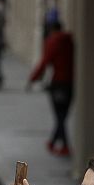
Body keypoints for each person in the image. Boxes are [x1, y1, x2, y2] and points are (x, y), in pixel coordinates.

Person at [28, 20, 74, 156]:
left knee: (59, 115)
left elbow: (45, 61)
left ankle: (65, 146)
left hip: (58, 83)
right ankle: (53, 142)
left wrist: (33, 78)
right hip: (71, 83)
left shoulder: (53, 41)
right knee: (63, 114)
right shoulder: (70, 41)